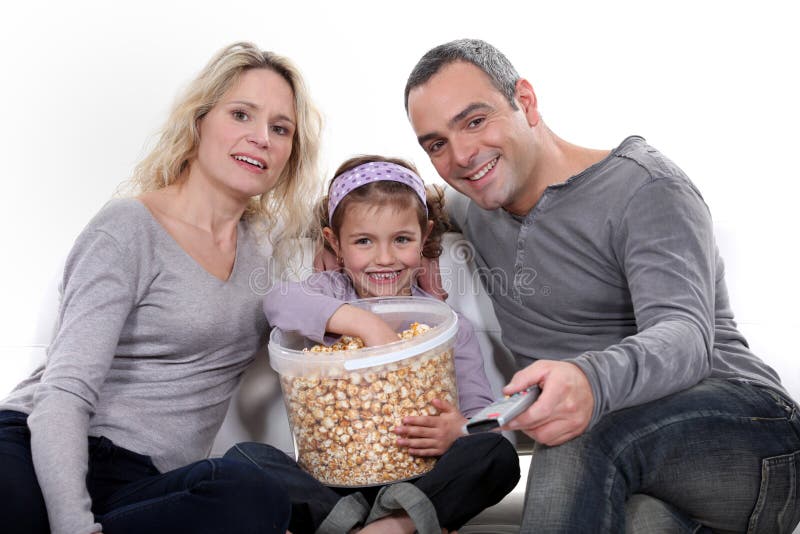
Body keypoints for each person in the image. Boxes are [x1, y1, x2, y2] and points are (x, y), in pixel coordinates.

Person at [404, 39, 800, 533]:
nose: (461, 154)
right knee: (644, 524)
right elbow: (392, 200)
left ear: (524, 102)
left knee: (575, 431)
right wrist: (340, 236)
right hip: (638, 472)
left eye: (475, 120)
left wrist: (589, 382)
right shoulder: (473, 204)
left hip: (749, 438)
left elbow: (684, 335)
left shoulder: (645, 187)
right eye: (436, 143)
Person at [0, 41, 322, 534]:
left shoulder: (268, 246)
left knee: (252, 495)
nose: (261, 137)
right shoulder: (129, 226)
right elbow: (63, 393)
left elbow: (364, 207)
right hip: (41, 448)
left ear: (289, 154)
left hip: (145, 482)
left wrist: (427, 242)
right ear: (199, 122)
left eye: (280, 129)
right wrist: (72, 523)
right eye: (241, 114)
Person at [226, 155, 520, 534]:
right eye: (364, 241)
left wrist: (458, 430)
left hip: (418, 476)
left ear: (424, 237)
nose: (384, 258)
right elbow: (278, 302)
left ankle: (392, 524)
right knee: (243, 460)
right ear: (336, 243)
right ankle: (376, 525)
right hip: (333, 478)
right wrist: (364, 323)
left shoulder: (445, 325)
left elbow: (483, 415)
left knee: (497, 455)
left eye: (401, 240)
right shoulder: (330, 293)